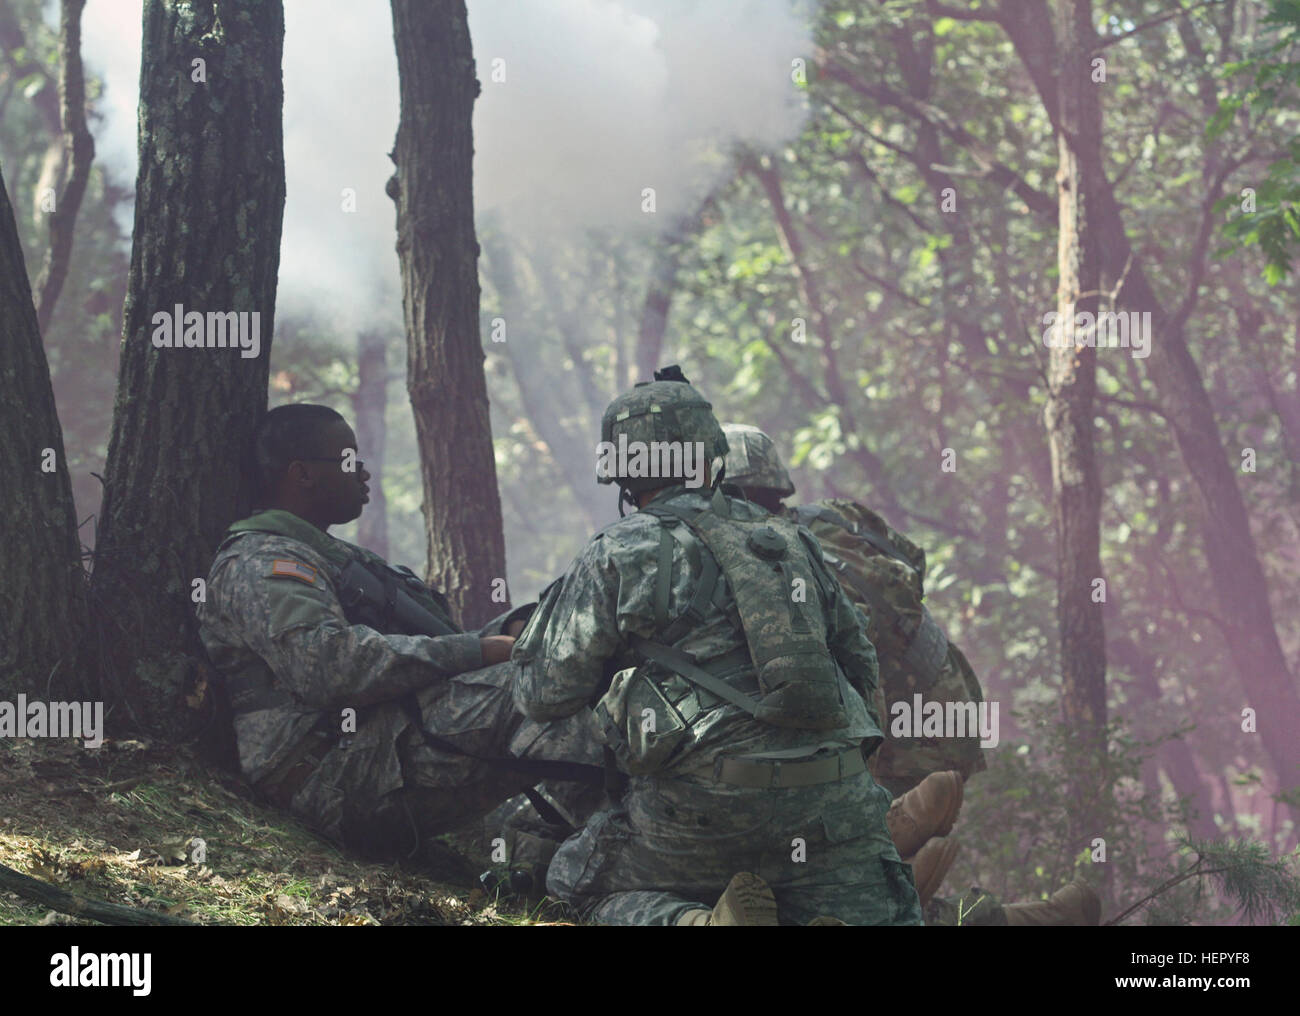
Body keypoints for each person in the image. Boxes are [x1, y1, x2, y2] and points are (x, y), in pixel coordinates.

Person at [511, 368, 922, 925]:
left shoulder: (617, 549)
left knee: (576, 885)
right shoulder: (792, 539)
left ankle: (698, 921)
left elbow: (542, 694)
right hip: (833, 804)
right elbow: (860, 664)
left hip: (702, 812)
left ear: (625, 473)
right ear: (714, 453)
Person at [719, 422, 1100, 927]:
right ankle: (1048, 915)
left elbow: (840, 667)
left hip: (898, 725)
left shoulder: (774, 557)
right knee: (880, 890)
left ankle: (957, 901)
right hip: (947, 693)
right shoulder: (832, 517)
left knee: (864, 893)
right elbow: (910, 565)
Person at [197, 404, 600, 863]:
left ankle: (592, 846)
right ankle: (619, 852)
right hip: (326, 774)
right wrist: (479, 650)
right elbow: (330, 669)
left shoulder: (325, 556)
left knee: (574, 663)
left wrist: (502, 633)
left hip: (372, 746)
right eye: (348, 460)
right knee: (551, 682)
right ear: (301, 473)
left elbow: (406, 652)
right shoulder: (261, 562)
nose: (363, 473)